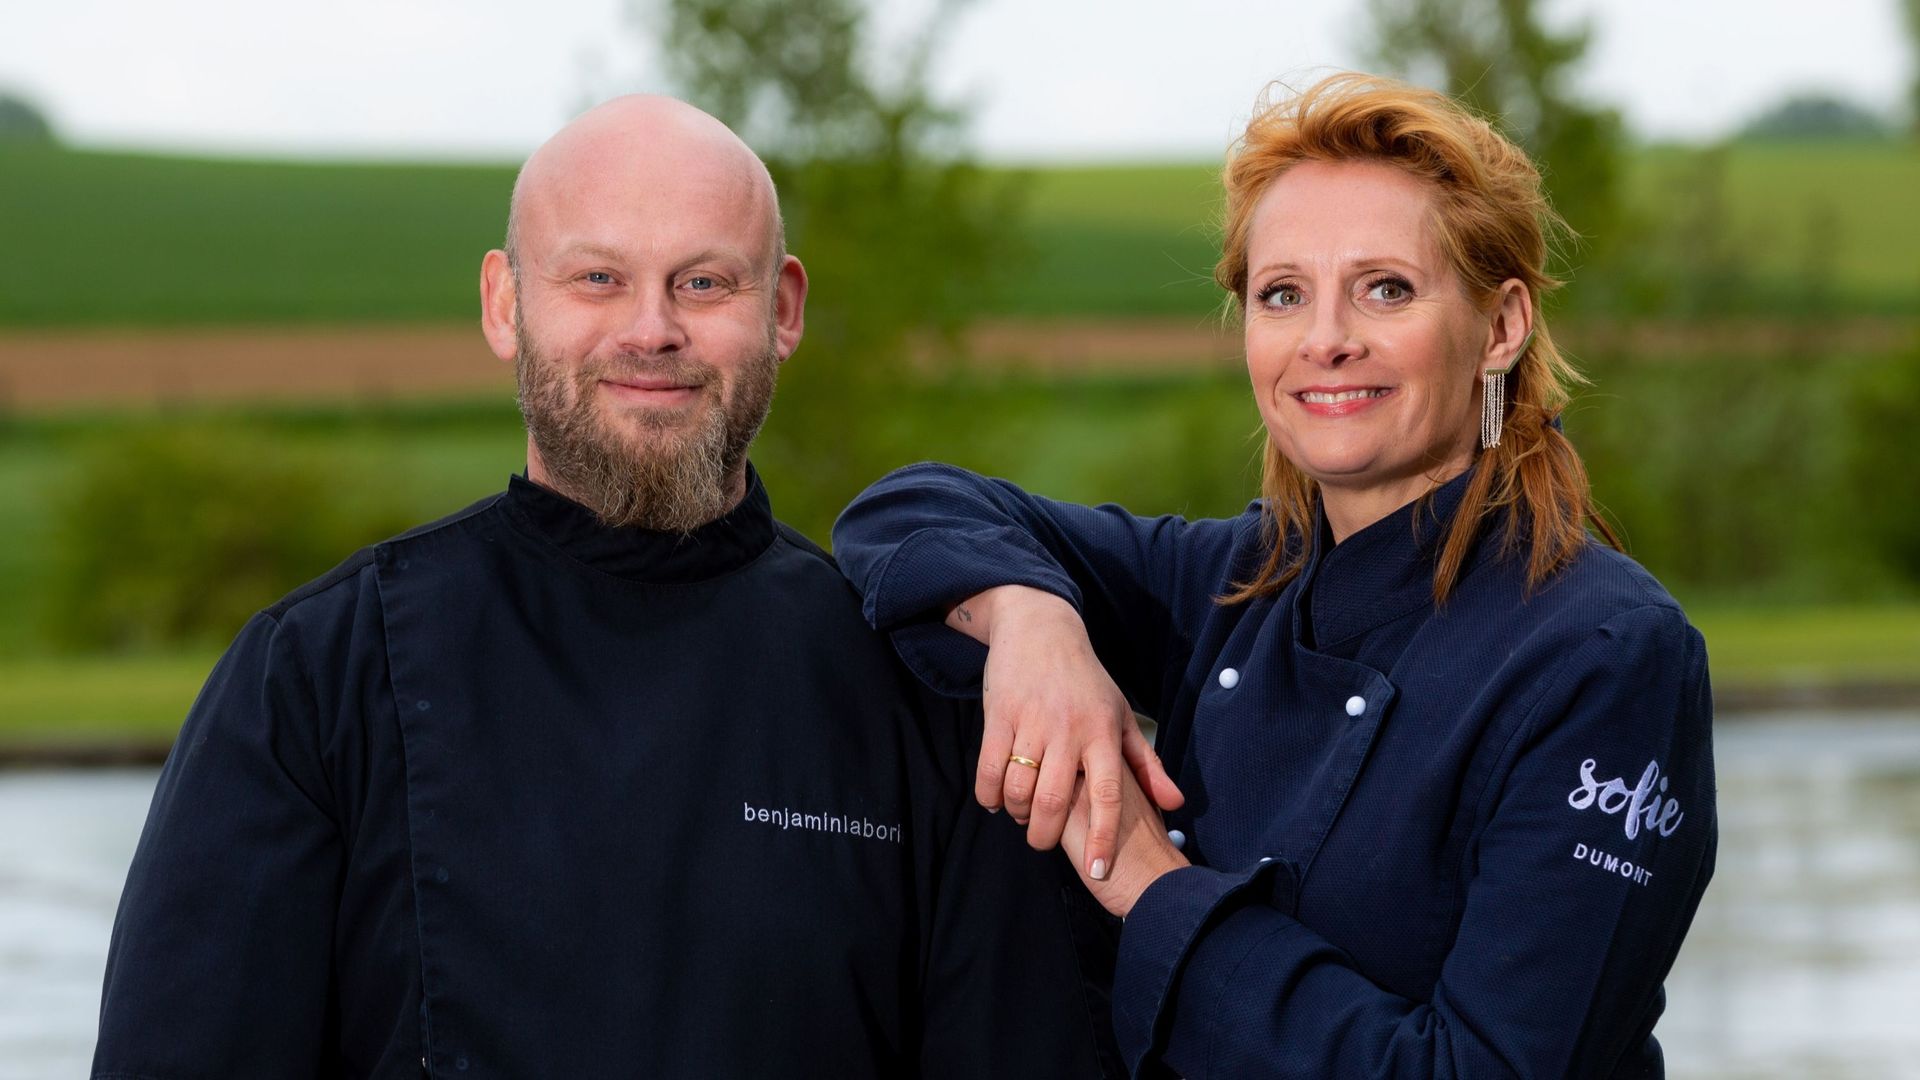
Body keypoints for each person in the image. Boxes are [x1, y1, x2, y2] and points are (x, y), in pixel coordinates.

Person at [92, 96, 1119, 1079]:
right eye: (596, 279)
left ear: (785, 310)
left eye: (705, 283)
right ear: (505, 304)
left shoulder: (922, 698)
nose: (652, 330)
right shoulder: (313, 681)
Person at [832, 73, 1716, 1078]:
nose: (1326, 339)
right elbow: (905, 511)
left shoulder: (1603, 655)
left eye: (1386, 287)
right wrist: (1034, 623)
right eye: (1283, 293)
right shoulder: (1239, 579)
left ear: (1501, 326)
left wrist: (1151, 884)